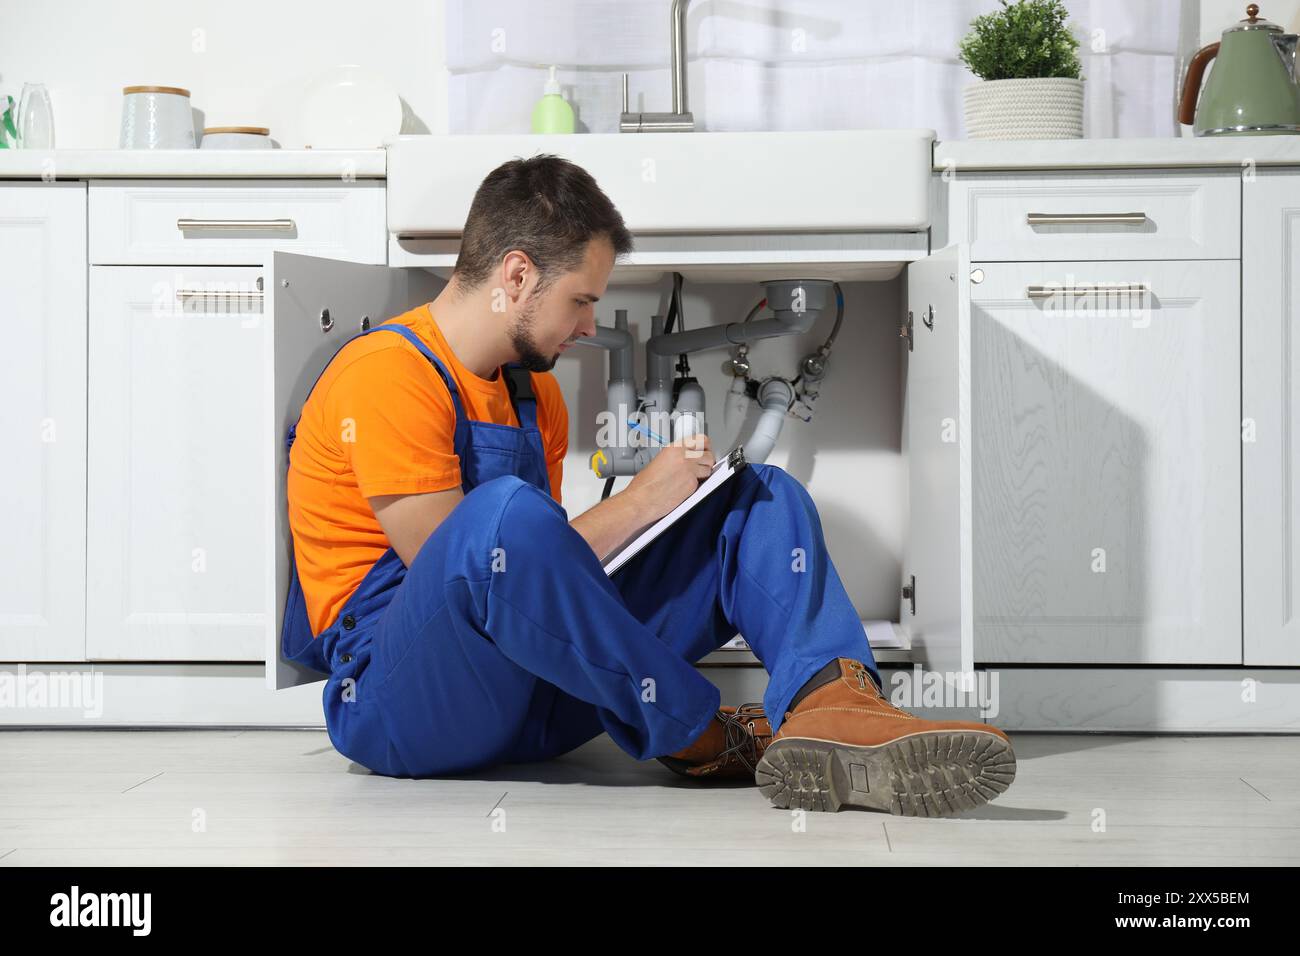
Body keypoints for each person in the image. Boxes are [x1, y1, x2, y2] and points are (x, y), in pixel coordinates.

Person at [280, 153, 1016, 816]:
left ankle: (835, 708)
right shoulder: (388, 373)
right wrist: (639, 503)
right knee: (505, 518)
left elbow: (546, 588)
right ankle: (700, 733)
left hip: (531, 693)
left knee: (757, 494)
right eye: (581, 299)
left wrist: (684, 509)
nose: (590, 322)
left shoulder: (539, 397)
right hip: (401, 701)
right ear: (515, 276)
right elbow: (471, 567)